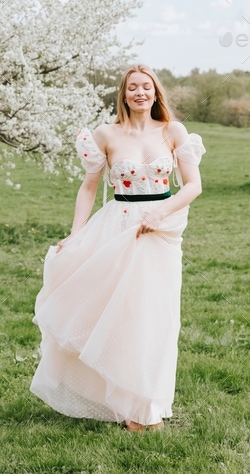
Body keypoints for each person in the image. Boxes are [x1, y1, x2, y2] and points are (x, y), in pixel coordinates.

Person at [30, 64, 205, 431]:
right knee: (123, 318)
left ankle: (149, 406)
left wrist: (159, 214)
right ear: (123, 94)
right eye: (132, 88)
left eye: (147, 87)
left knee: (157, 318)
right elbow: (89, 187)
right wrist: (76, 234)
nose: (140, 93)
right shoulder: (105, 134)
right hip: (119, 225)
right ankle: (128, 408)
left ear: (156, 93)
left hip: (161, 231)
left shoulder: (173, 131)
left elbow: (192, 186)